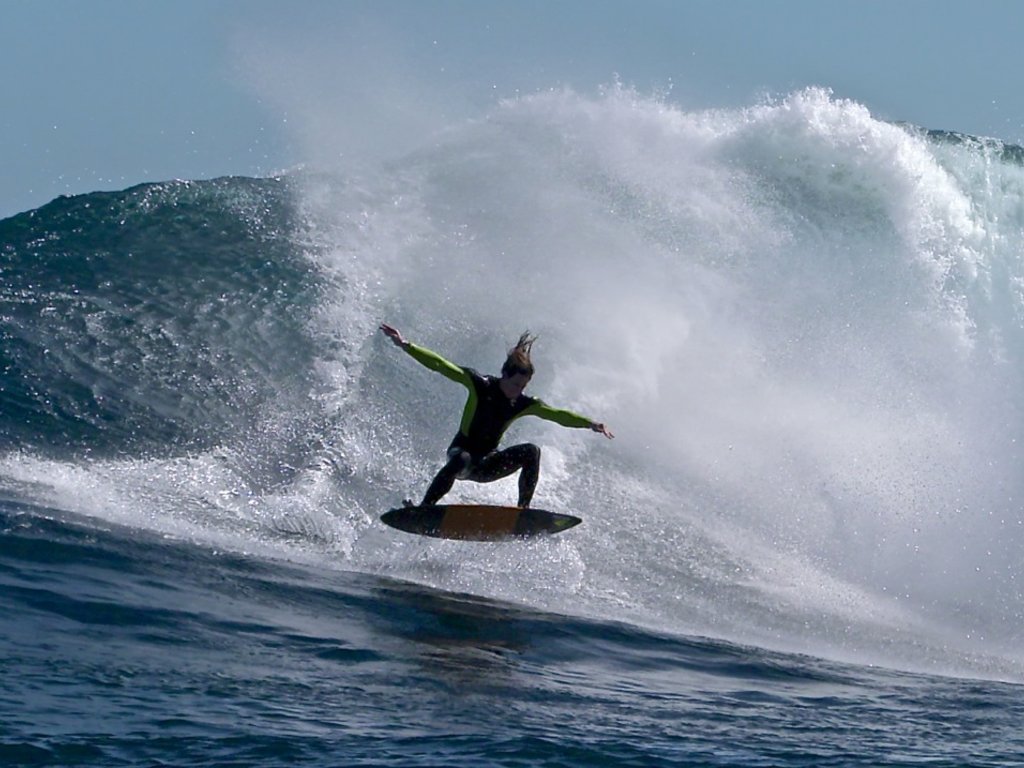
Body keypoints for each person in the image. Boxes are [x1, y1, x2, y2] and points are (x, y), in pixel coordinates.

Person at [380, 323, 614, 508]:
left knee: (531, 451)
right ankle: (425, 507)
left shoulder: (523, 403)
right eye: (515, 384)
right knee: (461, 459)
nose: (518, 391)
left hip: (488, 464)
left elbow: (557, 415)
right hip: (461, 456)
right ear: (504, 375)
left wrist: (590, 424)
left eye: (523, 386)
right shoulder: (479, 384)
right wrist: (405, 345)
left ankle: (522, 512)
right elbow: (441, 365)